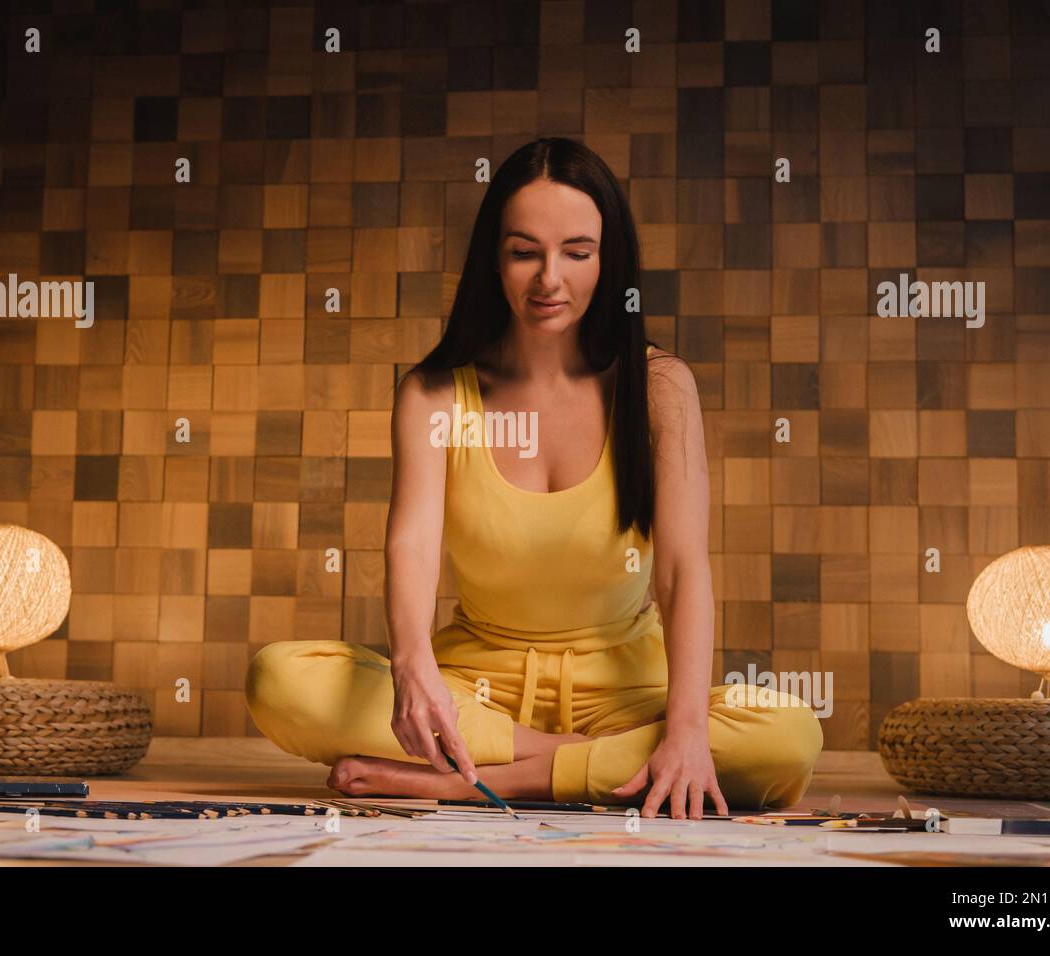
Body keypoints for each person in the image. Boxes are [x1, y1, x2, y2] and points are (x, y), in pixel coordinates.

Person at [245, 137, 822, 818]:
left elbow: (682, 572)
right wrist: (412, 669)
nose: (550, 278)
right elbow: (413, 546)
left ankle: (481, 781)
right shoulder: (434, 396)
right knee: (279, 680)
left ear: (609, 262)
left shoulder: (661, 387)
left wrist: (689, 733)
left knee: (788, 737)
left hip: (627, 696)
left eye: (577, 252)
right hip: (477, 695)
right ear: (495, 259)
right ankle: (562, 761)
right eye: (525, 252)